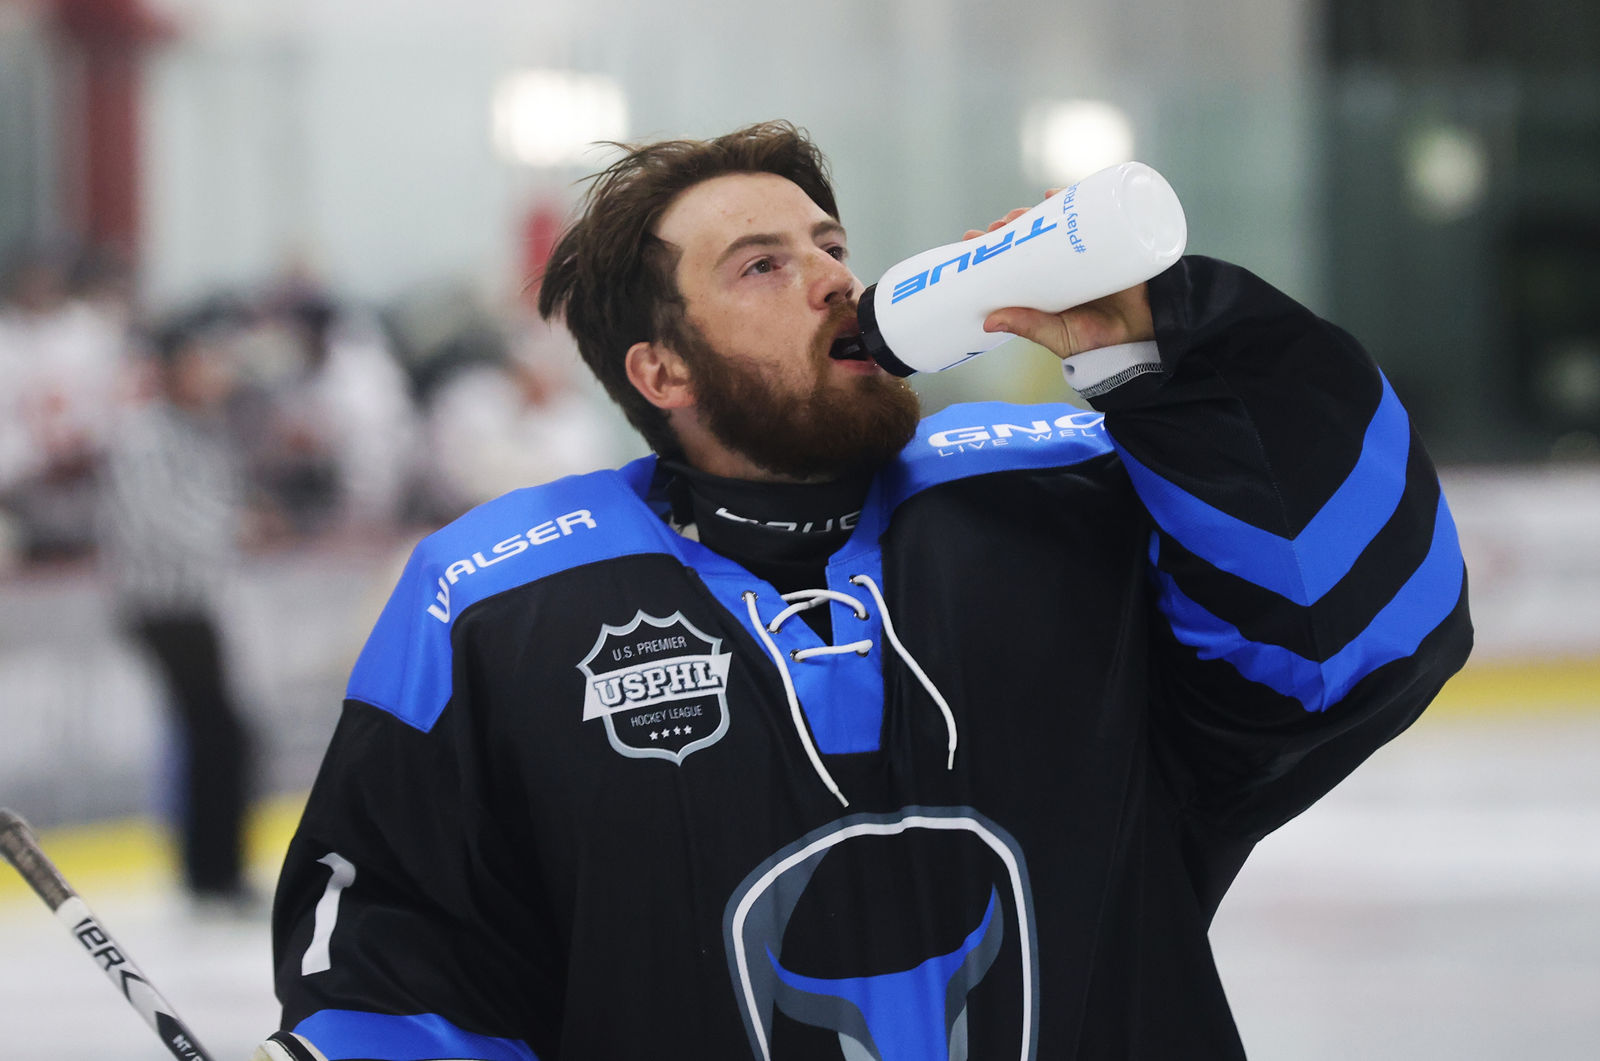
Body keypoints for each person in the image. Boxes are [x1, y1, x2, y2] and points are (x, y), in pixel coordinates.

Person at [258, 121, 1471, 1060]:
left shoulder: (1066, 490)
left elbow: (1356, 626)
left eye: (833, 244)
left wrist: (1151, 356)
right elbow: (401, 959)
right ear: (660, 367)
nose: (834, 278)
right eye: (762, 265)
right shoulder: (490, 598)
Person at [99, 304, 257, 909]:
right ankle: (210, 873)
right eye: (201, 362)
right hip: (165, 605)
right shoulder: (145, 436)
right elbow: (155, 519)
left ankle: (214, 871)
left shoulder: (204, 430)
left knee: (220, 732)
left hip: (198, 603)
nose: (214, 373)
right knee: (217, 730)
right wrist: (236, 526)